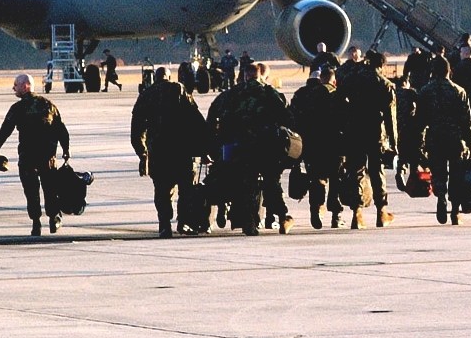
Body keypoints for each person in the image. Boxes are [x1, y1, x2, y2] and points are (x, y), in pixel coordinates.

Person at [207, 62, 294, 235]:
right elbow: (288, 119)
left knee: (243, 182)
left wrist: (214, 144)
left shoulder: (230, 95)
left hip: (236, 148)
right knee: (271, 182)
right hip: (264, 147)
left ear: (244, 76)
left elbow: (212, 117)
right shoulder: (270, 94)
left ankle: (248, 220)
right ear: (260, 75)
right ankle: (282, 216)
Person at [131, 66, 209, 237]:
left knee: (162, 191)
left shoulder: (145, 95)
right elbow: (195, 118)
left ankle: (164, 225)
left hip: (158, 152)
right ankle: (184, 223)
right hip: (182, 150)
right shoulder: (178, 89)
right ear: (169, 76)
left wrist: (142, 153)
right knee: (186, 189)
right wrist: (204, 148)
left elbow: (137, 127)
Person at [0, 74, 70, 236]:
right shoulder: (48, 105)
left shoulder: (18, 108)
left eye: (16, 85)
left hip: (28, 158)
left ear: (26, 86)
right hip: (48, 157)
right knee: (50, 189)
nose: (14, 88)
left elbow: (5, 130)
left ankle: (36, 223)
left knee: (31, 191)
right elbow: (61, 129)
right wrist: (66, 150)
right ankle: (54, 218)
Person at [337, 50, 397, 228]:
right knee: (377, 171)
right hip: (375, 133)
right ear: (381, 65)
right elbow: (390, 117)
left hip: (354, 131)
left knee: (355, 171)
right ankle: (381, 212)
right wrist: (394, 142)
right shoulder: (385, 85)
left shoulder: (351, 79)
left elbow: (339, 100)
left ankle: (357, 213)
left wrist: (346, 121)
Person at [418, 56, 471, 225]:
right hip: (454, 138)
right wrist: (470, 142)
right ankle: (455, 211)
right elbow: (467, 119)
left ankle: (441, 197)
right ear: (449, 71)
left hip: (435, 137)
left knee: (438, 172)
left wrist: (419, 143)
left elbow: (420, 120)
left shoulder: (425, 91)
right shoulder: (459, 91)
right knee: (456, 174)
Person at [290, 66, 345, 229]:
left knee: (316, 179)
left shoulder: (306, 96)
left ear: (320, 79)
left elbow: (296, 119)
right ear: (333, 80)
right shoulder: (338, 95)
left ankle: (315, 210)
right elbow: (346, 119)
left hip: (313, 144)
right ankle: (336, 214)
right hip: (334, 143)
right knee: (336, 178)